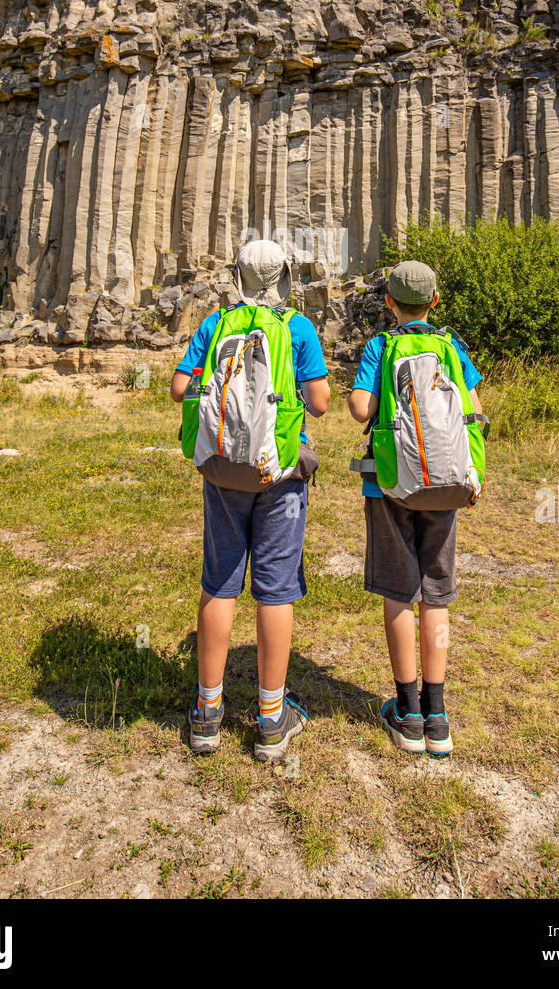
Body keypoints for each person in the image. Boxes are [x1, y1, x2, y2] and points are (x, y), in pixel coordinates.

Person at [170, 239, 330, 760]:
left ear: (237, 276)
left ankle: (207, 714)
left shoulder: (216, 324)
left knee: (219, 583)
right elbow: (322, 404)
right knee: (275, 589)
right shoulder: (297, 328)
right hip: (279, 474)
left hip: (221, 472)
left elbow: (178, 388)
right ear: (283, 276)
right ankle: (269, 718)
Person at [347, 261, 485, 757]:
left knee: (399, 590)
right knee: (437, 594)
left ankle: (407, 712)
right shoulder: (452, 346)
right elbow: (472, 408)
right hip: (445, 484)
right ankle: (439, 715)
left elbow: (362, 408)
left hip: (391, 484)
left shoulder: (380, 347)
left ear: (389, 303)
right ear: (435, 301)